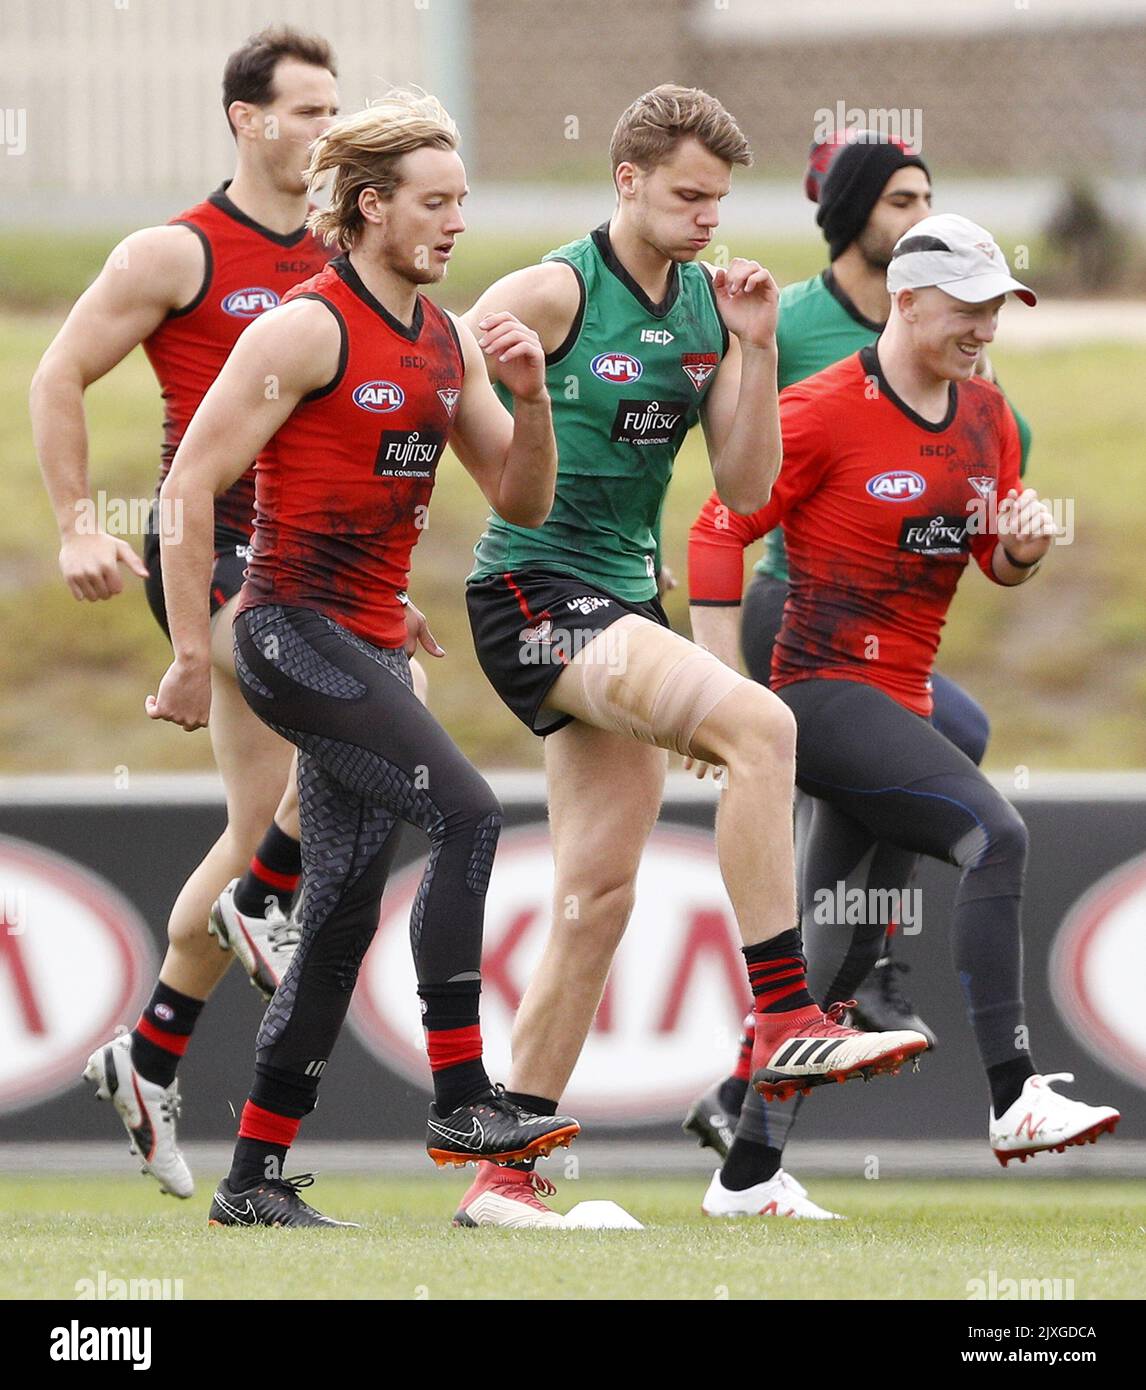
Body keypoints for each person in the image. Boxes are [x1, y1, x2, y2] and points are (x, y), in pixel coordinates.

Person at [452, 86, 927, 1230]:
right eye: (687, 195)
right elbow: (430, 387)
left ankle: (502, 1177)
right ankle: (785, 1012)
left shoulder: (716, 308)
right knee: (762, 725)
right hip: (532, 595)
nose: (709, 217)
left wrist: (756, 350)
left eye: (720, 200)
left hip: (624, 600)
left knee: (596, 897)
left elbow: (749, 487)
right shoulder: (553, 291)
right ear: (626, 181)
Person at [151, 90, 581, 1228]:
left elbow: (522, 498)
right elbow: (188, 487)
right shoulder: (303, 329)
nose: (456, 223)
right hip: (286, 633)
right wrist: (192, 651)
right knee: (470, 811)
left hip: (371, 643)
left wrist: (534, 402)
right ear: (372, 205)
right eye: (435, 203)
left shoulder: (448, 342)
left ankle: (251, 1182)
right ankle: (463, 1098)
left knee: (339, 912)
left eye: (462, 202)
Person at [688, 214, 1119, 1218]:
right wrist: (720, 685)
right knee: (995, 835)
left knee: (835, 950)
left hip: (903, 697)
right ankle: (1014, 1096)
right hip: (820, 692)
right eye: (969, 308)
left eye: (997, 309)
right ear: (908, 299)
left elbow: (992, 558)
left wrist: (1020, 550)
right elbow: (716, 530)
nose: (986, 328)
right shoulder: (821, 409)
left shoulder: (989, 416)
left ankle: (746, 1175)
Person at [29, 26, 353, 1198]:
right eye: (307, 111)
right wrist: (78, 524)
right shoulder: (178, 251)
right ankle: (263, 904)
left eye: (336, 111)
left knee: (260, 820)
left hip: (317, 561)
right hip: (210, 550)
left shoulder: (344, 250)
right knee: (372, 706)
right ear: (245, 120)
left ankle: (149, 1052)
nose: (326, 131)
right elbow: (57, 372)